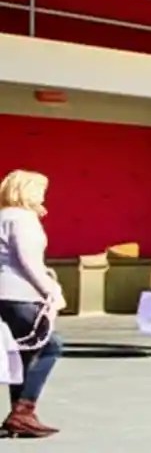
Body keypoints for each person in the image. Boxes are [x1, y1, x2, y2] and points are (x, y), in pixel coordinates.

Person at [0, 171, 63, 438]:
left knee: (21, 351)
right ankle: (23, 412)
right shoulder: (23, 220)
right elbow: (28, 262)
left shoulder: (4, 217)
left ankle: (20, 413)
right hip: (21, 294)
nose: (42, 195)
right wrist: (52, 291)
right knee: (50, 345)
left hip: (3, 294)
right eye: (39, 190)